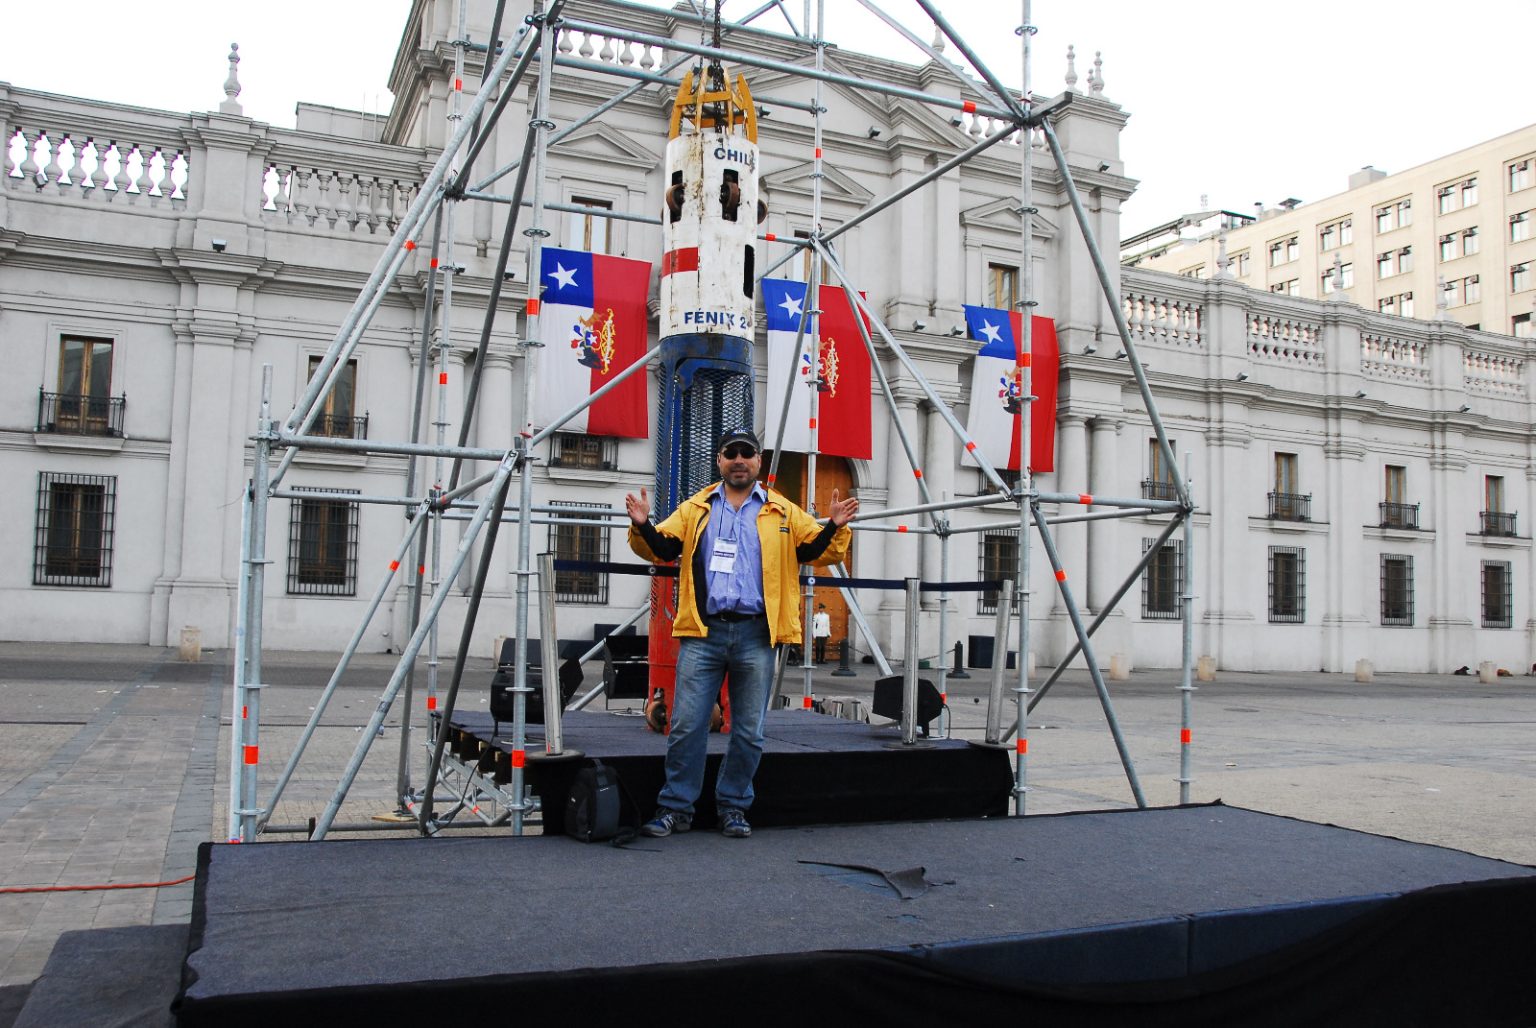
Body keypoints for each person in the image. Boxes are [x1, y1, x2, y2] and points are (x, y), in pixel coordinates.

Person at [625, 428, 858, 838]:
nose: (738, 459)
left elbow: (816, 552)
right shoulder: (696, 508)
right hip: (703, 633)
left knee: (749, 731)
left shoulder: (782, 511)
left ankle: (733, 806)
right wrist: (643, 524)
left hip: (757, 635)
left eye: (746, 453)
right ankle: (676, 808)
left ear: (758, 461)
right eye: (730, 452)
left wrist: (835, 526)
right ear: (719, 460)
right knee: (686, 725)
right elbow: (662, 549)